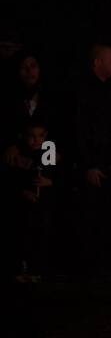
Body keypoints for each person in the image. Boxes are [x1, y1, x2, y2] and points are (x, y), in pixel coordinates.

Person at [74, 44, 111, 273]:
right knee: (90, 213)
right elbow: (80, 130)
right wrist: (88, 164)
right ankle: (89, 263)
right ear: (97, 63)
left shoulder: (108, 91)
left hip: (105, 161)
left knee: (104, 212)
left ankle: (101, 261)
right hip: (93, 163)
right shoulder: (83, 92)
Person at [4, 120, 56, 281]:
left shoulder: (49, 152)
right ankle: (21, 268)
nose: (36, 140)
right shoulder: (18, 154)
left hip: (43, 204)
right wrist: (22, 191)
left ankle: (37, 269)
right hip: (22, 204)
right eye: (31, 136)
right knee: (21, 235)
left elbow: (56, 173)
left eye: (40, 136)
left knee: (40, 235)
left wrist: (51, 181)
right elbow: (10, 178)